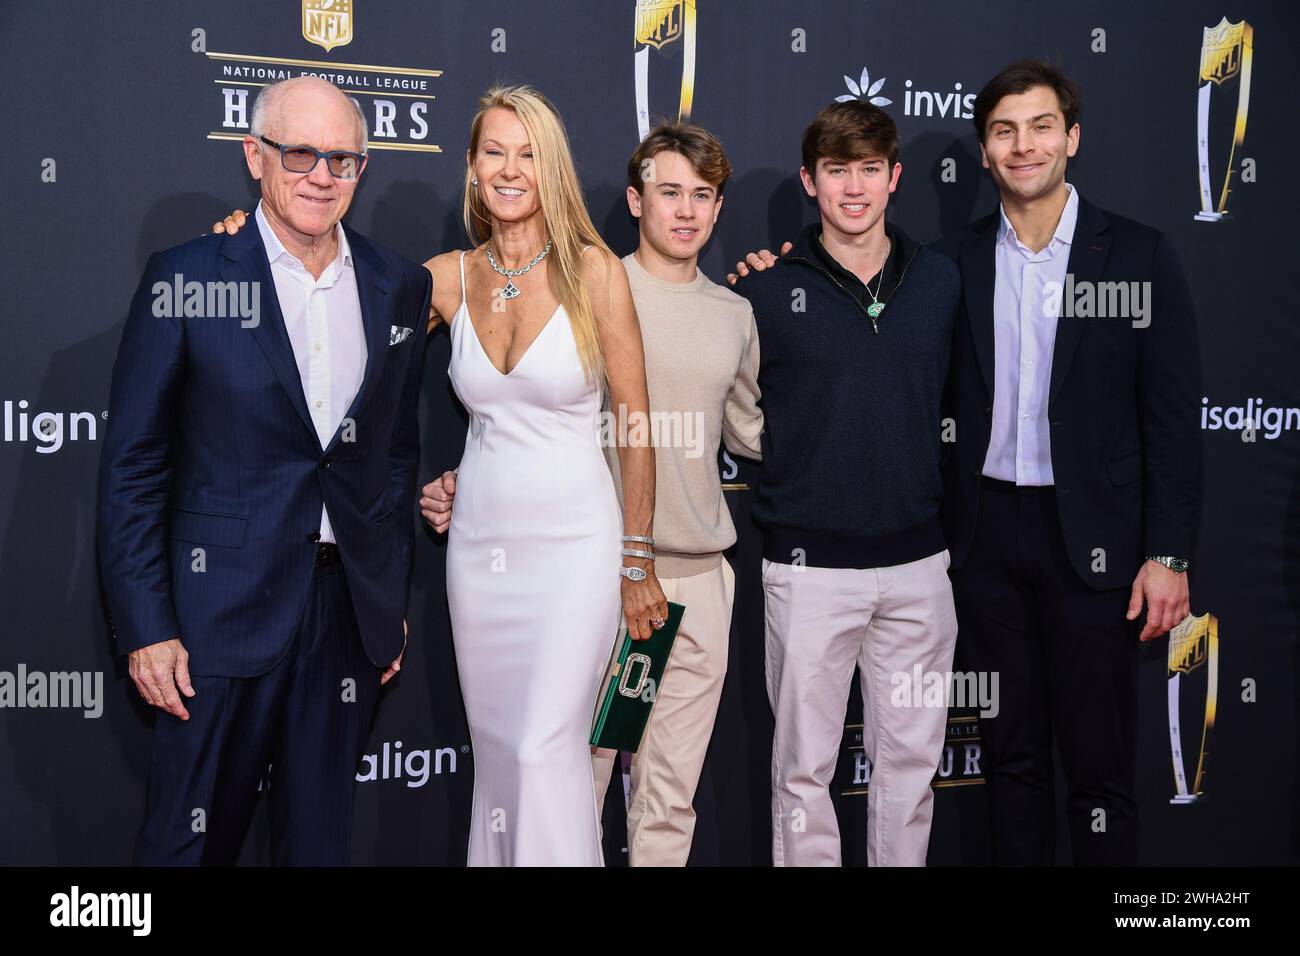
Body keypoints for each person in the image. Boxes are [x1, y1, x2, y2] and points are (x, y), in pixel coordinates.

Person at [98, 76, 430, 865]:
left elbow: (392, 456)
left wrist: (384, 593)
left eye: (342, 159)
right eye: (300, 153)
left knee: (318, 847)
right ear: (255, 155)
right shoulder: (188, 276)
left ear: (362, 167)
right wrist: (148, 628)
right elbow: (133, 469)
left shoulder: (399, 286)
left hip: (344, 623)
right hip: (215, 620)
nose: (321, 175)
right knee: (184, 848)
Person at [431, 121, 763, 865]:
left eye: (702, 195)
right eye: (668, 191)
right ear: (635, 198)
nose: (685, 210)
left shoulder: (737, 311)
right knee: (570, 771)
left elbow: (758, 432)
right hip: (611, 581)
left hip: (692, 581)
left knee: (667, 798)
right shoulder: (601, 276)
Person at [933, 60, 1201, 865]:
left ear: (1072, 138)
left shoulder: (1139, 256)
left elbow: (1174, 422)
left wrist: (1169, 553)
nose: (1024, 147)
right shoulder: (954, 262)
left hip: (1098, 545)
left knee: (1100, 770)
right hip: (985, 542)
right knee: (1011, 761)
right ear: (984, 151)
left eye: (1041, 126)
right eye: (1004, 131)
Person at [423, 86, 667, 866]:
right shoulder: (448, 278)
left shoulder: (595, 272)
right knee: (499, 753)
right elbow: (332, 296)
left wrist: (637, 560)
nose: (509, 168)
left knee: (544, 746)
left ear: (551, 167)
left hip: (577, 549)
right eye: (493, 150)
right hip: (480, 550)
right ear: (469, 166)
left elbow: (635, 425)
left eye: (528, 153)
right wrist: (248, 237)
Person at [728, 100, 962, 866]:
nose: (854, 189)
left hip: (920, 573)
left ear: (895, 178)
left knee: (911, 770)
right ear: (810, 180)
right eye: (837, 172)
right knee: (803, 774)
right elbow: (737, 420)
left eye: (869, 170)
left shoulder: (942, 283)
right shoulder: (763, 293)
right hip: (807, 572)